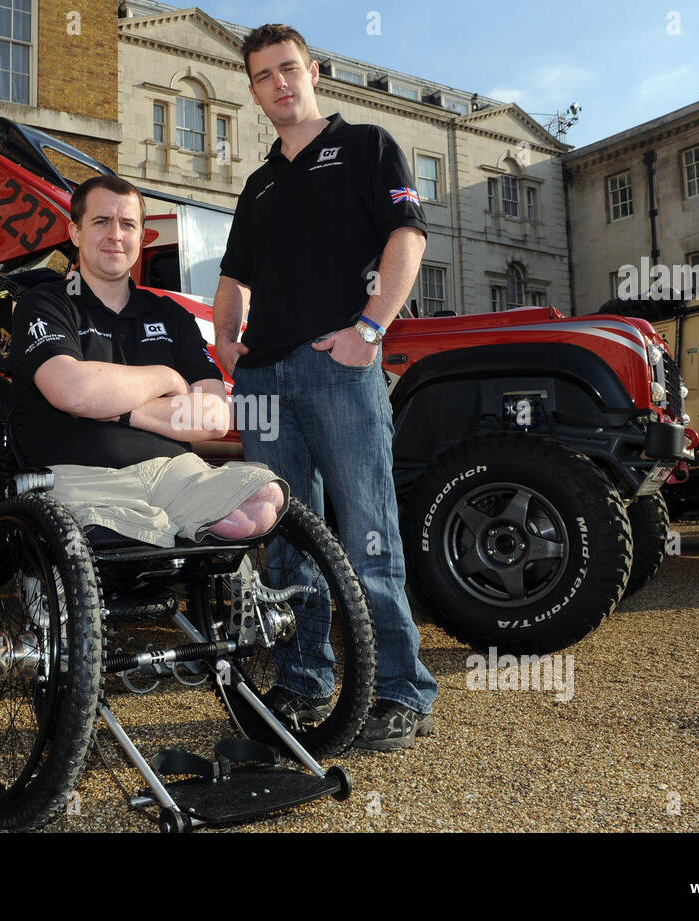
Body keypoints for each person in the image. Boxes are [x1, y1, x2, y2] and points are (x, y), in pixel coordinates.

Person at [213, 23, 439, 751]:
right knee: (283, 540)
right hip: (263, 378)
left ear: (313, 72)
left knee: (369, 535)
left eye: (288, 69)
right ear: (252, 90)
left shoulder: (368, 146)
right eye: (263, 76)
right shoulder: (260, 184)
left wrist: (370, 330)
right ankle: (304, 681)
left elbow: (409, 235)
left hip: (337, 367)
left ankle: (401, 692)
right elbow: (232, 276)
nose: (279, 83)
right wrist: (227, 343)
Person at [9, 174, 285, 549]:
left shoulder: (171, 315)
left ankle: (181, 533)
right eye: (101, 222)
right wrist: (166, 378)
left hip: (175, 474)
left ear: (142, 237)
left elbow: (214, 418)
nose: (115, 236)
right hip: (83, 477)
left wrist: (119, 411)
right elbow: (73, 391)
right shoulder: (45, 304)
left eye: (127, 225)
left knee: (265, 498)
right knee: (133, 533)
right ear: (75, 233)